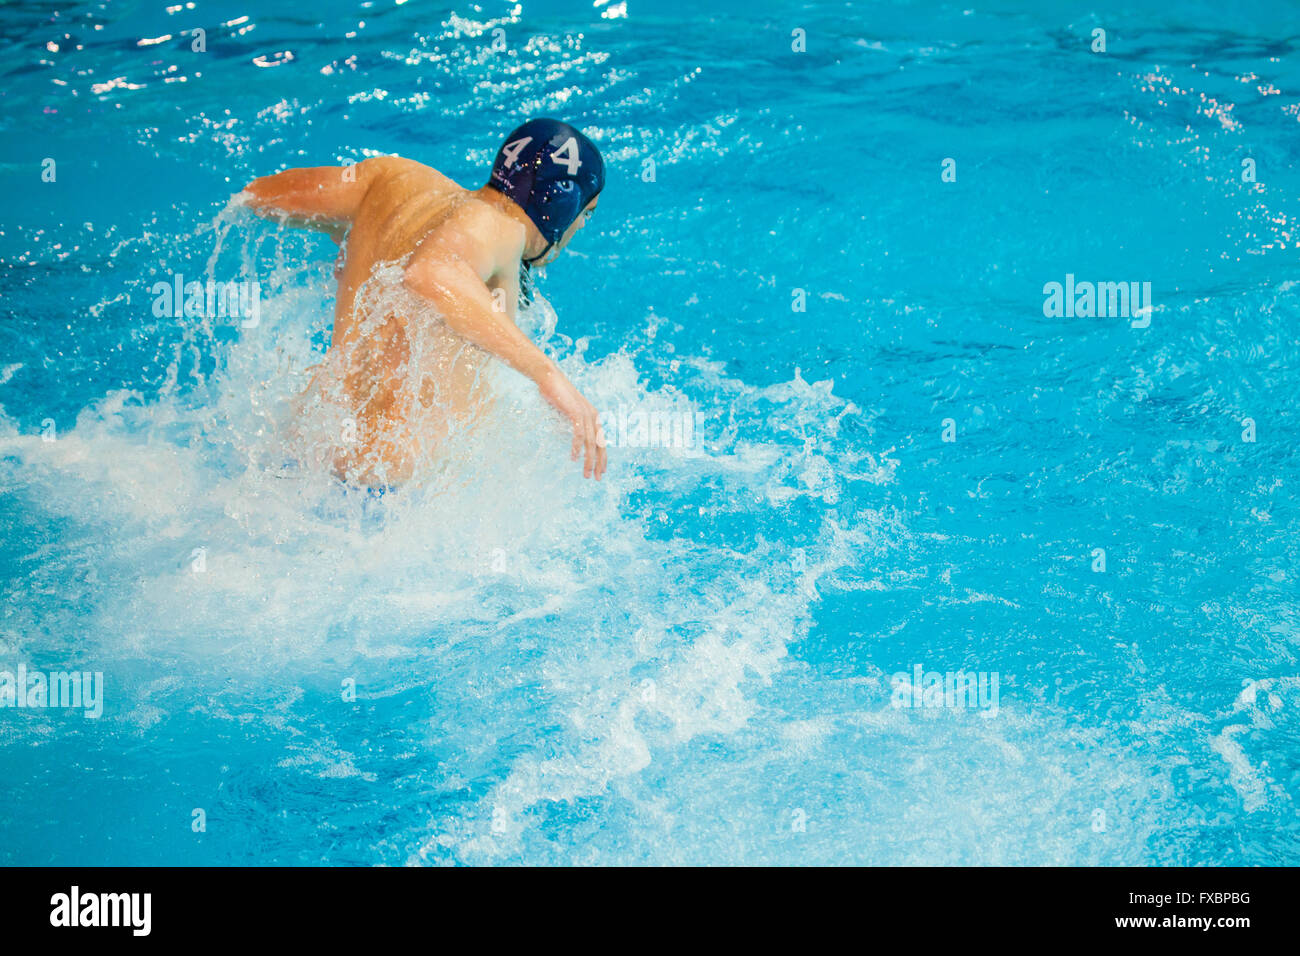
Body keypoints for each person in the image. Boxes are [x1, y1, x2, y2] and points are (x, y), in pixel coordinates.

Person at [239, 118, 607, 486]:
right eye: (586, 214)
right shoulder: (500, 227)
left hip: (304, 459)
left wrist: (348, 233)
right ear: (562, 204)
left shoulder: (395, 178)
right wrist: (548, 375)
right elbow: (431, 273)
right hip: (383, 497)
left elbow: (259, 196)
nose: (582, 227)